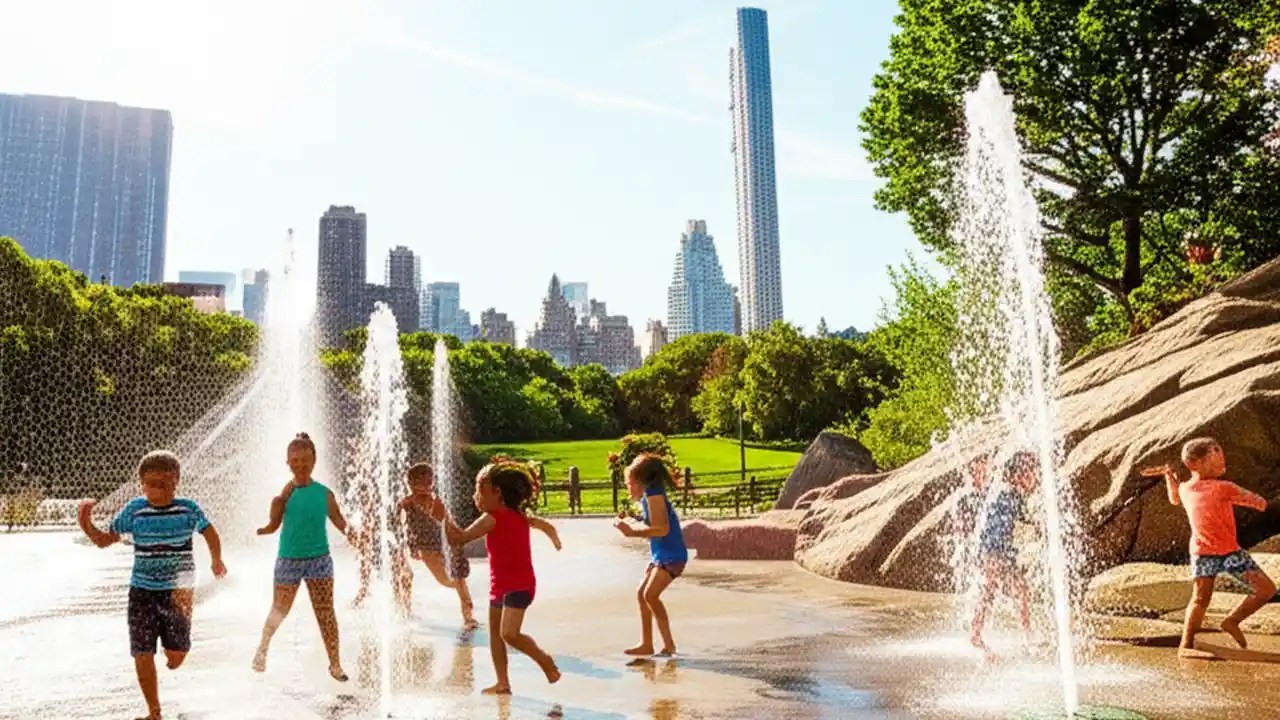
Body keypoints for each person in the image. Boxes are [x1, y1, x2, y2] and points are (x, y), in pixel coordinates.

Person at [76, 450, 226, 720]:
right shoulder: (135, 509)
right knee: (142, 651)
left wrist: (217, 560)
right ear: (141, 484)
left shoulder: (187, 509)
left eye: (164, 483)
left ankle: (176, 651)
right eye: (151, 484)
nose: (157, 490)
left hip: (178, 591)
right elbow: (103, 540)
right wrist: (87, 524)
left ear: (176, 481)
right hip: (142, 591)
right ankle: (154, 712)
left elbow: (210, 532)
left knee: (176, 655)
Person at [1144, 436, 1276, 658]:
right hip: (1211, 553)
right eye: (1215, 455)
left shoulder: (1187, 488)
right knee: (1259, 591)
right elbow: (1260, 503)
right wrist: (1254, 501)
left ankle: (1229, 622)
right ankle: (1187, 644)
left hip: (1221, 551)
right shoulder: (1224, 488)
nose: (1222, 459)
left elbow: (1174, 497)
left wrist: (1169, 476)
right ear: (1195, 464)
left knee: (1203, 598)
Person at [443, 459, 562, 695]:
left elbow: (459, 537)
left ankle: (544, 660)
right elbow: (543, 525)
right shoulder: (515, 515)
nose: (476, 496)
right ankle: (502, 682)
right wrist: (552, 535)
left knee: (509, 634)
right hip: (500, 585)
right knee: (496, 636)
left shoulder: (492, 517)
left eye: (480, 490)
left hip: (519, 585)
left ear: (497, 493)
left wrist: (442, 515)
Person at [253, 432, 351, 681]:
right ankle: (263, 648)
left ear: (314, 461)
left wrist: (355, 535)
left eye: (304, 460)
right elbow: (274, 522)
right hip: (289, 559)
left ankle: (335, 664)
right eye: (294, 461)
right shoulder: (286, 494)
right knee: (280, 609)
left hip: (319, 559)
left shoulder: (325, 494)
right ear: (288, 463)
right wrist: (266, 528)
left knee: (325, 612)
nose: (299, 465)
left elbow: (339, 520)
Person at [960, 450, 1037, 657]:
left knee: (1015, 589)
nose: (1035, 477)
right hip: (993, 550)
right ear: (1018, 475)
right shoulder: (1006, 494)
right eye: (1031, 472)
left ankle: (1025, 634)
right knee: (991, 589)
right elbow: (994, 526)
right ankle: (978, 634)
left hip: (996, 550)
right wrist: (993, 557)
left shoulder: (1009, 493)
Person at [613, 453, 688, 657]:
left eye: (629, 483)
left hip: (671, 555)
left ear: (640, 482)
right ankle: (647, 644)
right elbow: (655, 522)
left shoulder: (654, 495)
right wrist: (633, 517)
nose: (628, 489)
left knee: (650, 595)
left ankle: (669, 645)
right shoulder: (651, 495)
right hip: (662, 554)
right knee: (642, 594)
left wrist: (632, 533)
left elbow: (662, 529)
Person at [399, 462, 478, 629]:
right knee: (445, 581)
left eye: (430, 480)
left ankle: (468, 617)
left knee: (458, 580)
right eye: (423, 481)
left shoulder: (436, 501)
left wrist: (461, 537)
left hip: (444, 546)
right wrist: (411, 547)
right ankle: (404, 610)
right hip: (427, 549)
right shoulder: (407, 504)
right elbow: (402, 528)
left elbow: (449, 522)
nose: (428, 484)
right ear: (411, 483)